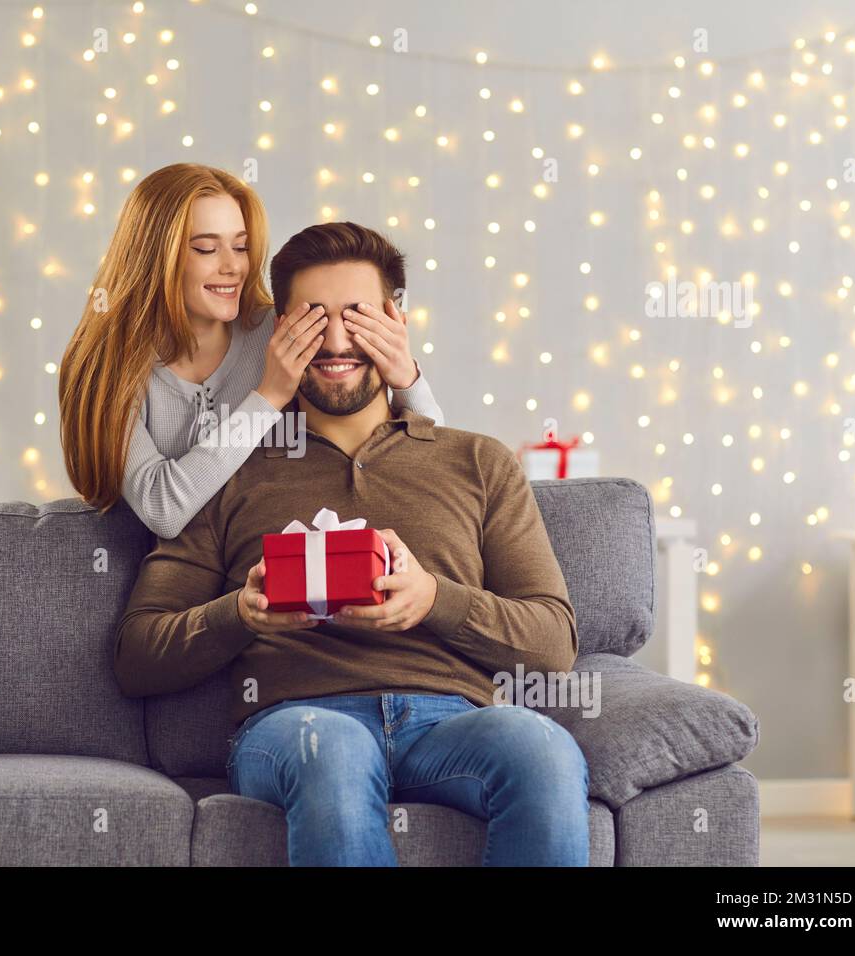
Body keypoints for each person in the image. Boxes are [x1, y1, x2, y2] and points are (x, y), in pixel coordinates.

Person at [113, 221, 589, 866]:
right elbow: (138, 654)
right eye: (312, 320)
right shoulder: (231, 470)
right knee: (333, 748)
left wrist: (434, 600)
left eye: (358, 317)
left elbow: (553, 644)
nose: (336, 342)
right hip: (294, 723)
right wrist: (240, 614)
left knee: (543, 748)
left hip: (451, 721)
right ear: (280, 330)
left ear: (396, 319)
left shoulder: (476, 461)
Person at [58, 163, 443, 540]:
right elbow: (163, 510)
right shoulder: (103, 366)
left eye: (240, 247)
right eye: (206, 248)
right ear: (155, 257)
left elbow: (432, 463)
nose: (234, 267)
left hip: (260, 546)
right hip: (162, 571)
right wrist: (269, 395)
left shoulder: (274, 333)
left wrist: (406, 378)